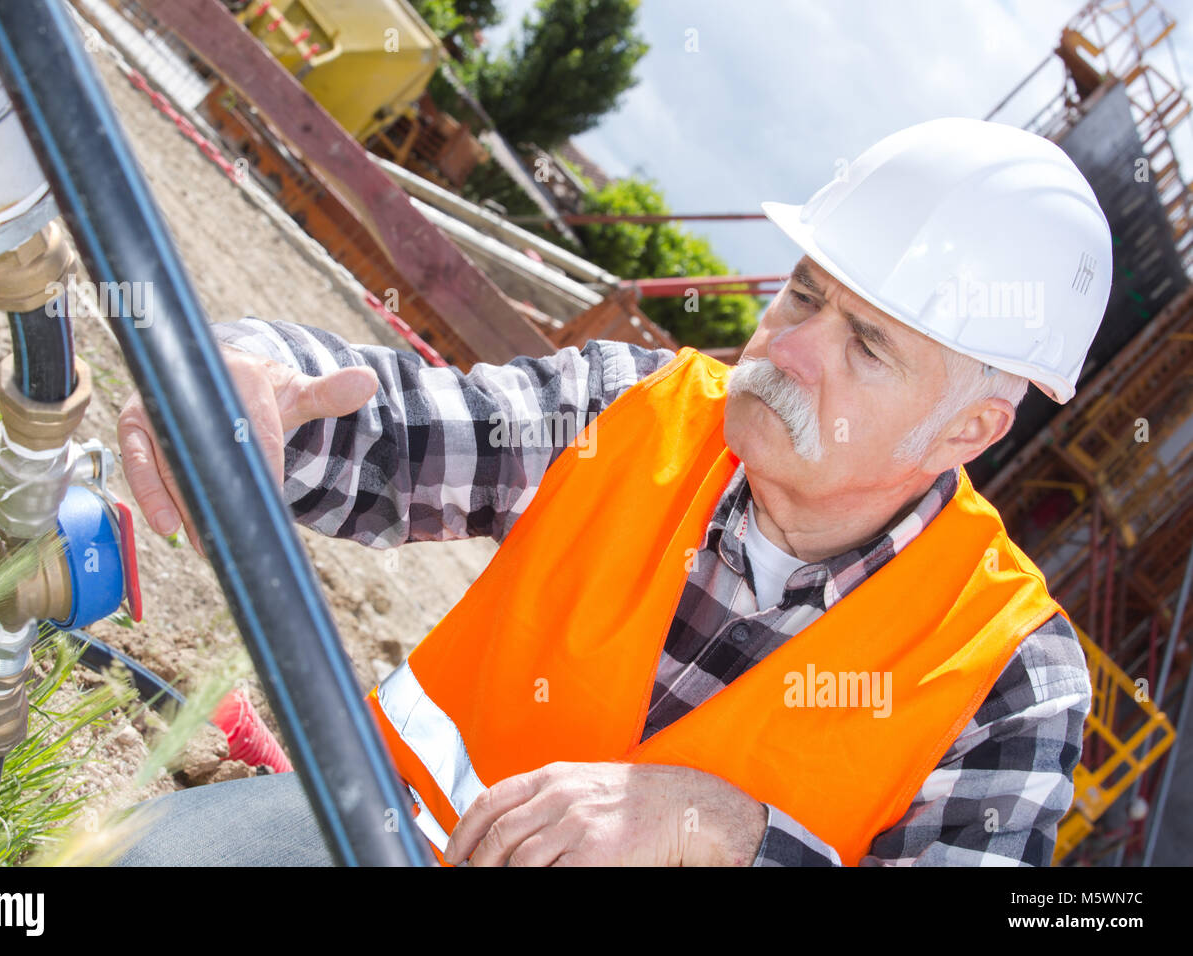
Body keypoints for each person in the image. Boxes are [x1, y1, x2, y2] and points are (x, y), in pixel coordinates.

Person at [113, 117, 1111, 866]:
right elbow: (398, 428)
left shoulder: (1011, 672)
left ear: (969, 429)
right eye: (804, 294)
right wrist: (254, 385)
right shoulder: (635, 410)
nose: (790, 352)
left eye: (867, 345)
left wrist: (725, 828)